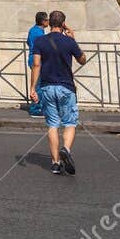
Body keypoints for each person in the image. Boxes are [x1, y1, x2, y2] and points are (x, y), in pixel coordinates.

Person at [29, 10, 87, 175]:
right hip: (66, 87)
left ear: (50, 23)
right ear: (63, 24)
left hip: (47, 87)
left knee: (52, 124)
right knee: (70, 122)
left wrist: (33, 88)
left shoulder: (40, 41)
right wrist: (73, 39)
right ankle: (66, 149)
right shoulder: (69, 42)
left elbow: (36, 65)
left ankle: (55, 163)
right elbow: (82, 60)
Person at [25, 10, 48, 115]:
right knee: (38, 84)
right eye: (47, 20)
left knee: (39, 83)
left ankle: (39, 106)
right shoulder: (39, 33)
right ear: (43, 21)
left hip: (32, 57)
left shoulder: (32, 30)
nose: (48, 22)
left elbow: (28, 42)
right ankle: (36, 109)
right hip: (37, 59)